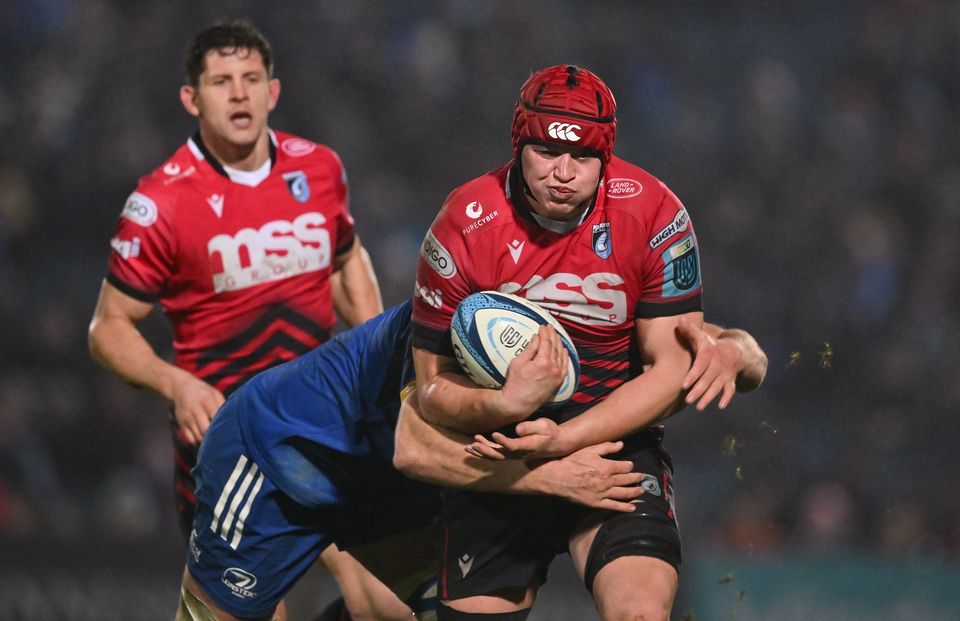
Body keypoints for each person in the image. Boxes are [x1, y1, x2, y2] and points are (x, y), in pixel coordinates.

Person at [403, 65, 768, 621]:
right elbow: (430, 391)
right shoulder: (463, 224)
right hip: (500, 453)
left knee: (641, 613)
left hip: (615, 444)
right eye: (546, 152)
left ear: (607, 156)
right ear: (518, 142)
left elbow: (667, 372)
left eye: (582, 158)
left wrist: (564, 440)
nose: (563, 173)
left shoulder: (655, 214)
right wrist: (506, 409)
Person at [86, 19, 396, 621]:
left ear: (272, 92)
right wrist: (175, 384)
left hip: (326, 423)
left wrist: (379, 355)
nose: (238, 93)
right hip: (231, 444)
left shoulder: (321, 168)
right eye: (221, 80)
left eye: (251, 78)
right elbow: (108, 327)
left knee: (386, 602)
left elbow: (346, 258)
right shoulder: (162, 203)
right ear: (191, 98)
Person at [175, 299, 653, 621]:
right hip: (274, 457)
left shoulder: (565, 312)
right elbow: (414, 449)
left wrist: (728, 347)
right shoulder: (446, 313)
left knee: (424, 610)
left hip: (377, 482)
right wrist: (553, 478)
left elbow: (669, 335)